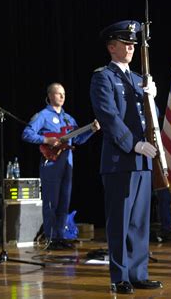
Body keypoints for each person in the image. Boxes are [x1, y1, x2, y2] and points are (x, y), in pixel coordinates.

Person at [89, 20, 162, 294]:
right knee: (120, 221)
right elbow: (109, 117)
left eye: (133, 44)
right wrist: (134, 145)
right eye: (126, 43)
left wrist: (152, 99)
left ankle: (138, 272)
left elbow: (148, 119)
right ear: (112, 47)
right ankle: (120, 276)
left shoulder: (137, 79)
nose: (131, 47)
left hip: (144, 159)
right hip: (121, 159)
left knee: (140, 221)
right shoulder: (103, 77)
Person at [22, 82, 100, 250]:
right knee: (51, 200)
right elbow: (27, 134)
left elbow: (77, 139)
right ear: (50, 96)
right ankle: (50, 237)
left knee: (64, 200)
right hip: (51, 162)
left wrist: (91, 130)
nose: (62, 97)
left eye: (64, 94)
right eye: (58, 94)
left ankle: (60, 236)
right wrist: (45, 140)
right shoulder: (43, 115)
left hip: (67, 161)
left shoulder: (68, 118)